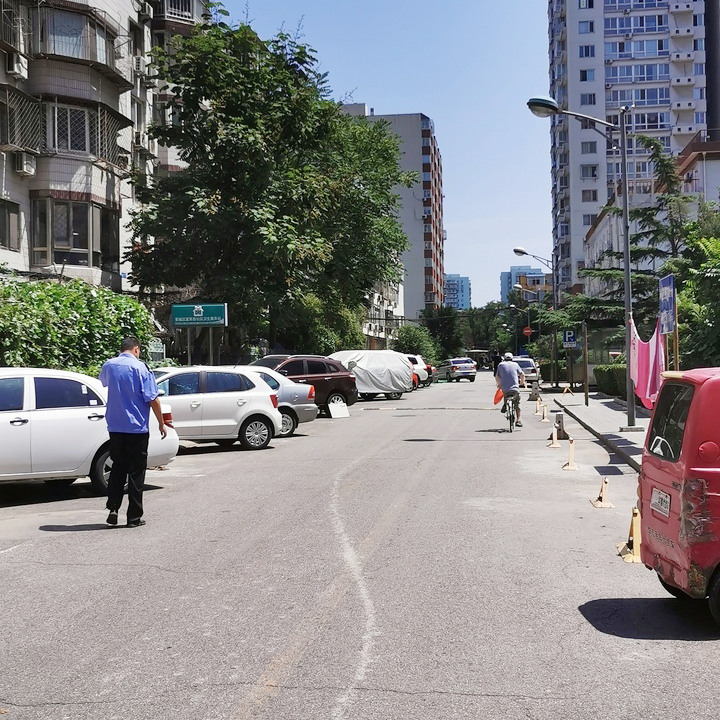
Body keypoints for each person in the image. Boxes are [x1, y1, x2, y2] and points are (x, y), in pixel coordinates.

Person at [99, 337, 166, 527]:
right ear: (136, 349)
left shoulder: (109, 365)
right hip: (137, 428)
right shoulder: (141, 368)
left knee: (118, 468)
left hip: (116, 426)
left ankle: (113, 508)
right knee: (136, 473)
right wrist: (161, 423)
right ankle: (134, 517)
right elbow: (153, 399)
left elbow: (104, 384)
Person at [496, 352, 526, 428]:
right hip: (515, 388)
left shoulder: (500, 365)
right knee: (517, 403)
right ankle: (518, 420)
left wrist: (499, 384)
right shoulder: (515, 365)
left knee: (505, 394)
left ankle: (505, 405)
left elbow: (497, 376)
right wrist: (522, 382)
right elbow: (522, 374)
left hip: (504, 388)